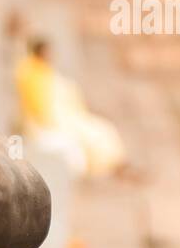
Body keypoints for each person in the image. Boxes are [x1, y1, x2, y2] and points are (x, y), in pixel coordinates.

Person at [14, 38, 128, 179]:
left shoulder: (41, 70)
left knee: (102, 130)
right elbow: (40, 106)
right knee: (90, 138)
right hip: (47, 121)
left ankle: (118, 165)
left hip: (62, 115)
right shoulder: (30, 73)